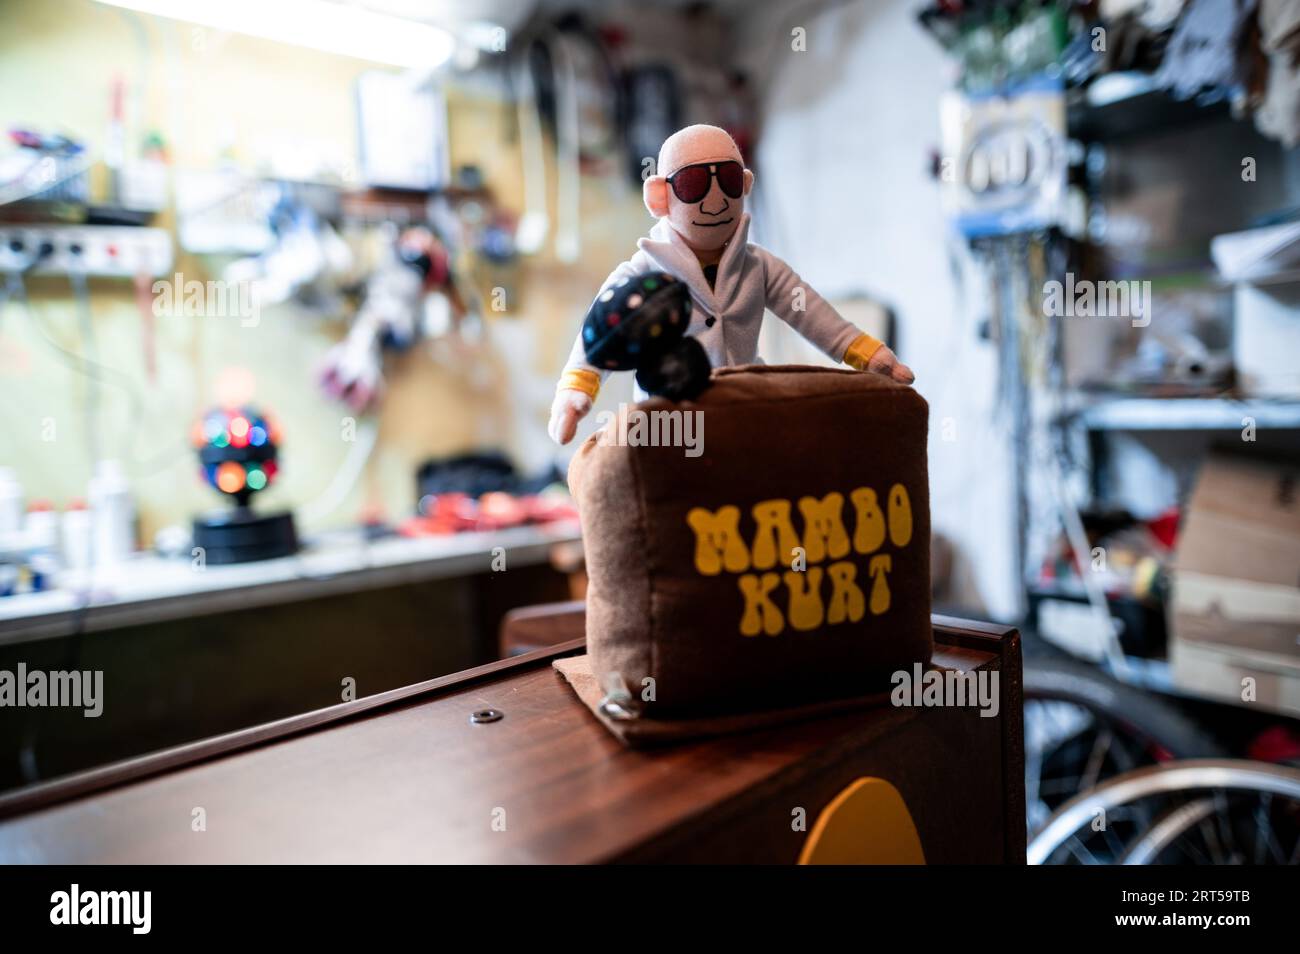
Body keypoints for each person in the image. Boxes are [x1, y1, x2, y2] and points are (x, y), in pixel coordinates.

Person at [548, 123, 914, 445]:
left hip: (746, 409)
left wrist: (867, 354)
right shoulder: (642, 271)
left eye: (728, 180)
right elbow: (601, 330)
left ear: (745, 185)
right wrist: (576, 389)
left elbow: (811, 312)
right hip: (669, 423)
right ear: (660, 197)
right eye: (693, 184)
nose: (715, 200)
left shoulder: (759, 265)